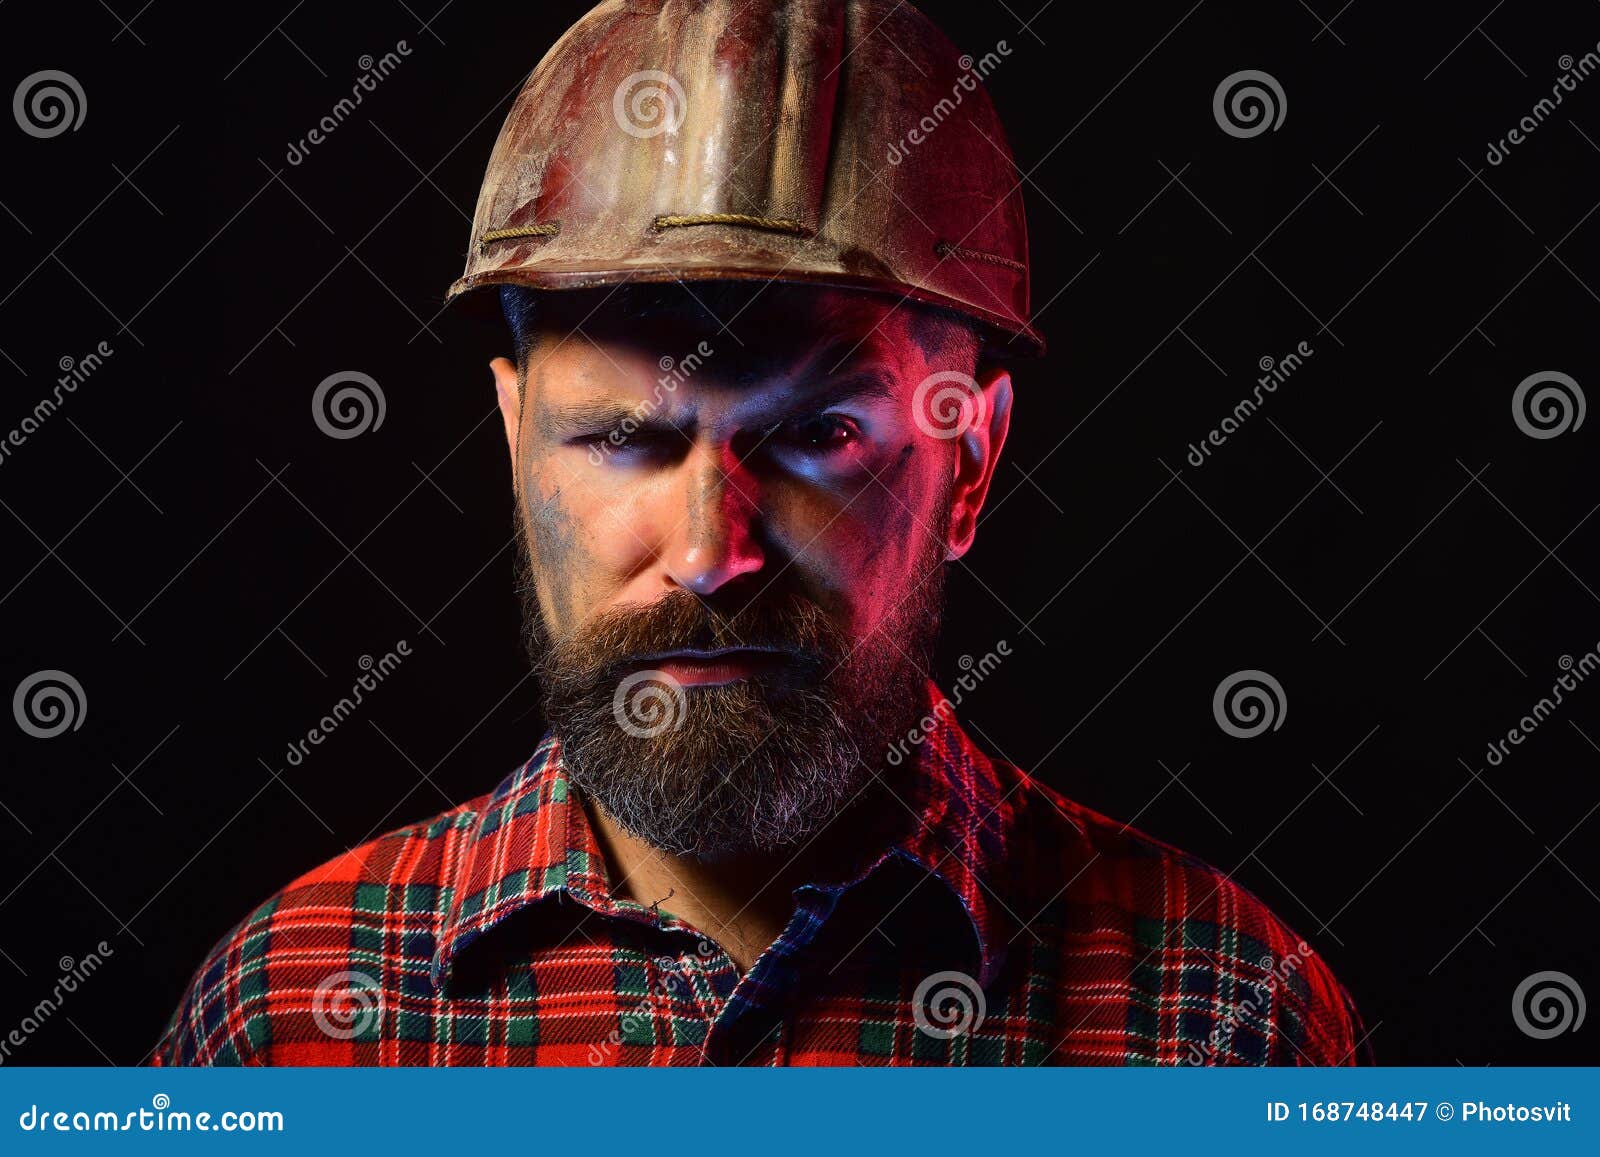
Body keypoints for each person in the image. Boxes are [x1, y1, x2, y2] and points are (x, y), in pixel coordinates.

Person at [153, 0, 1366, 1066]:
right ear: (515, 440)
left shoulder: (1218, 1019)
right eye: (625, 438)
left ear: (971, 463)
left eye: (818, 437)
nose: (710, 551)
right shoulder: (292, 1013)